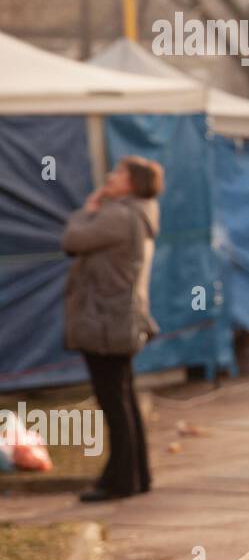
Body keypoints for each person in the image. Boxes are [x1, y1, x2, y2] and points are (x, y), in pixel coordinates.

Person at [62, 156, 165, 502]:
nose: (111, 176)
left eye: (119, 173)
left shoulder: (118, 215)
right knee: (125, 400)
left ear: (134, 183)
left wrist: (88, 208)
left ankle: (121, 481)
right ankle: (136, 475)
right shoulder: (142, 212)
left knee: (114, 403)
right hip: (120, 317)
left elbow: (72, 241)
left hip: (105, 322)